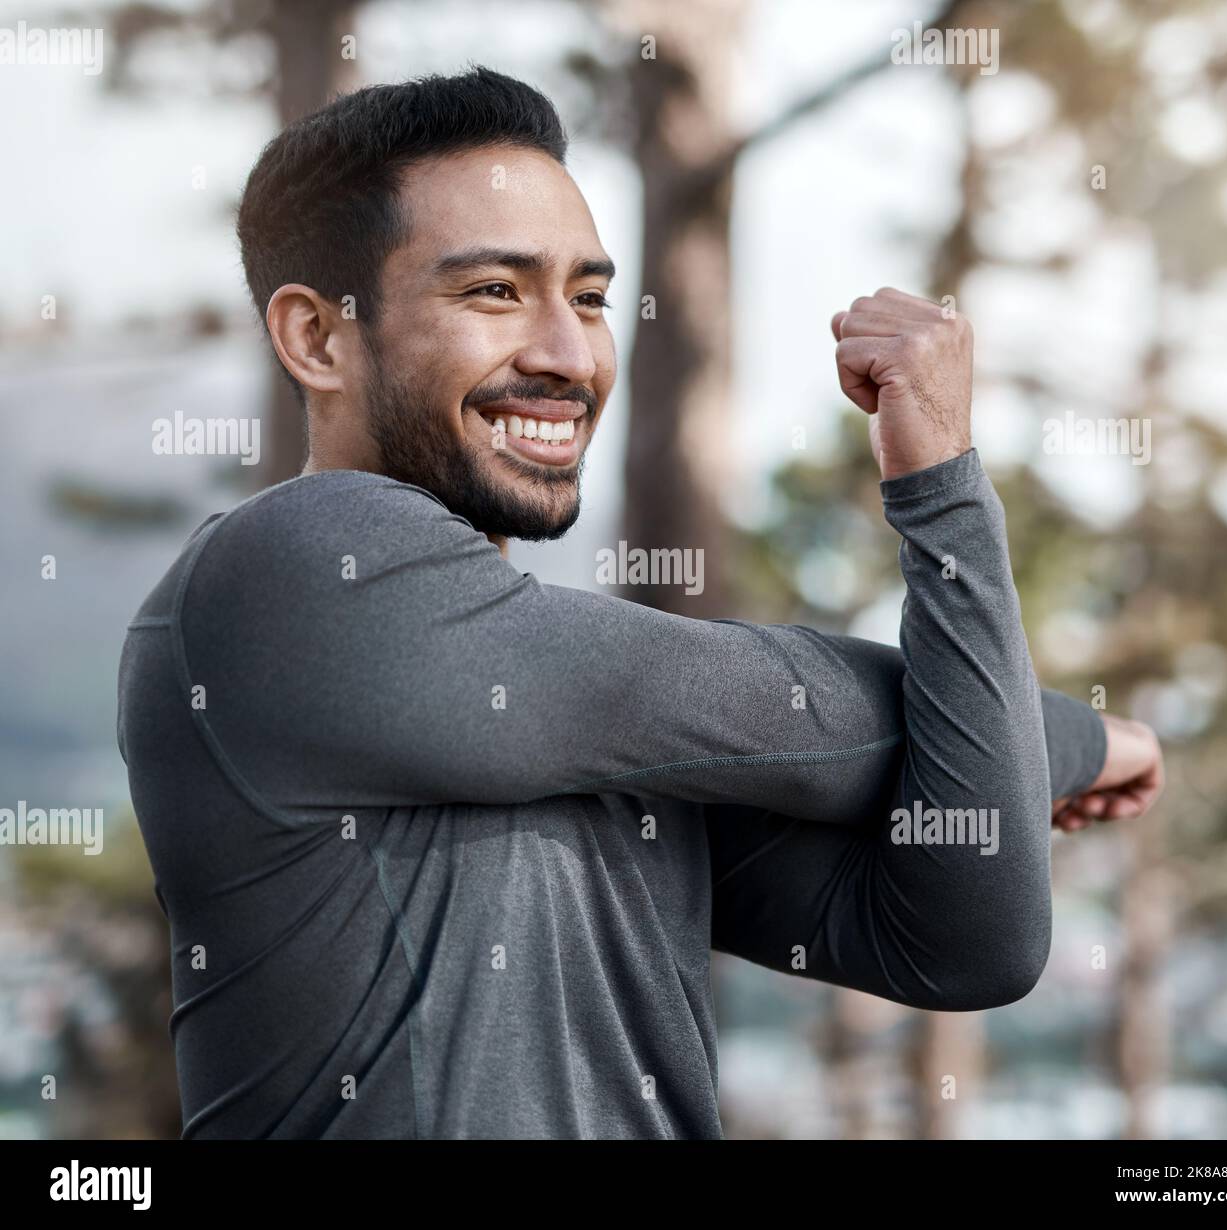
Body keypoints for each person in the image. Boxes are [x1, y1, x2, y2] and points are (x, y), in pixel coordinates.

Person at [116, 66, 1164, 1139]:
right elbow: (792, 714)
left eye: (588, 297)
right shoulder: (288, 570)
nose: (568, 355)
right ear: (317, 339)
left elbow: (964, 944)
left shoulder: (581, 728)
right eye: (492, 291)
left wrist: (948, 497)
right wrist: (1075, 736)